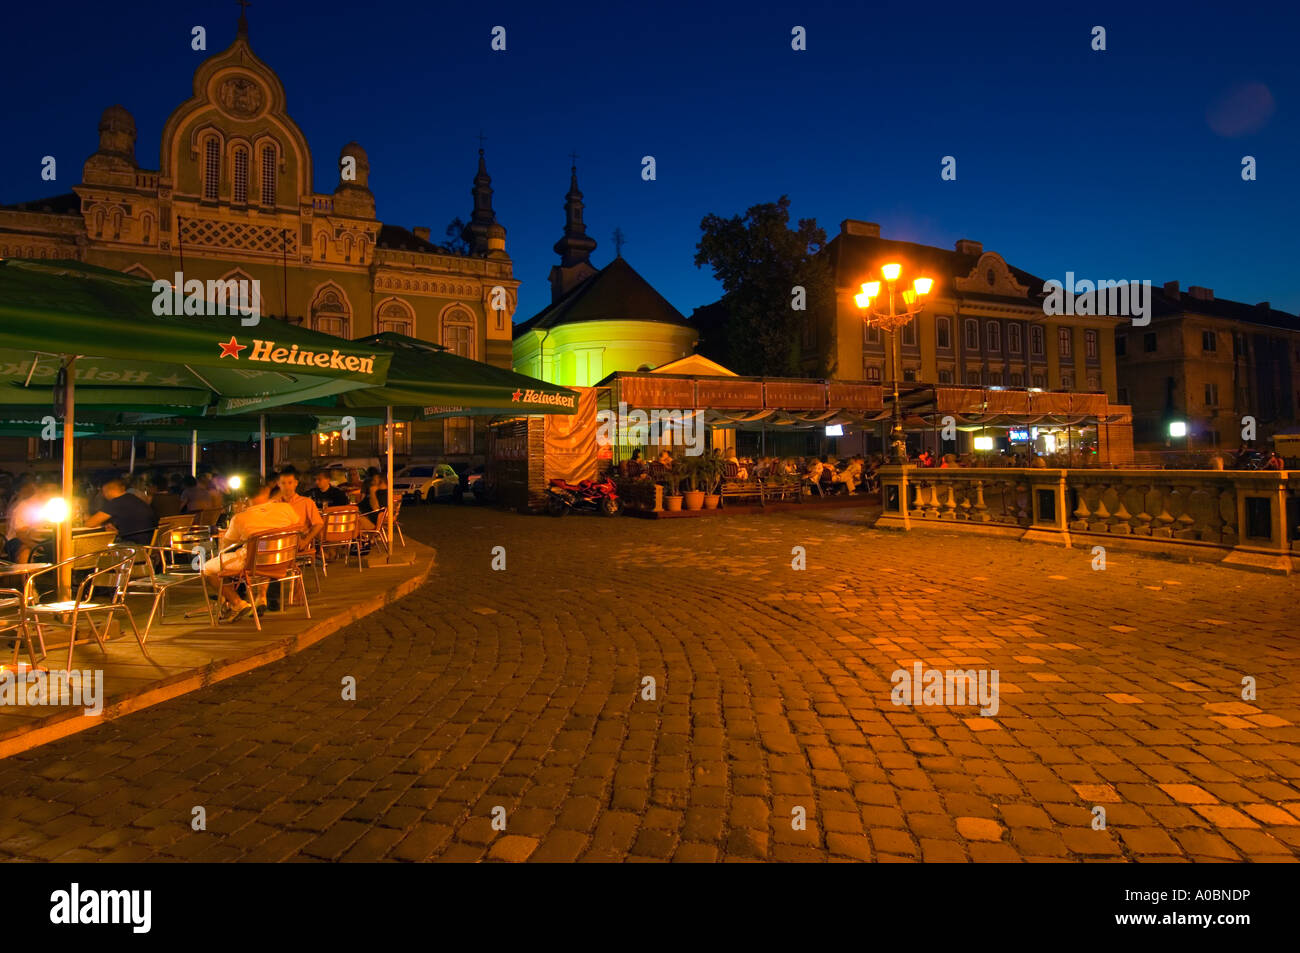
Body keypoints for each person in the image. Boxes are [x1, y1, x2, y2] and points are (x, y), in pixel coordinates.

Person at [202, 480, 301, 621]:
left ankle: (237, 603)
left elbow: (225, 547)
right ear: (266, 491)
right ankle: (261, 597)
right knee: (263, 556)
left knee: (208, 569)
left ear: (245, 495)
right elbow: (299, 527)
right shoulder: (286, 509)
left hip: (253, 564)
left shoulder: (241, 518)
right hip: (284, 560)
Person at [84, 478, 159, 544]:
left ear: (108, 491)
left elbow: (90, 523)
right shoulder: (133, 498)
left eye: (103, 493)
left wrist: (85, 514)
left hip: (135, 546)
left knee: (99, 546)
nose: (104, 496)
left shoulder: (117, 502)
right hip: (150, 543)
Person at [273, 466, 324, 550]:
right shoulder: (275, 504)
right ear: (278, 484)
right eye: (283, 483)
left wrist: (306, 541)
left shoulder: (306, 502)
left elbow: (318, 524)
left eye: (290, 483)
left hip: (298, 542)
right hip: (279, 543)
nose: (287, 487)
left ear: (295, 483)